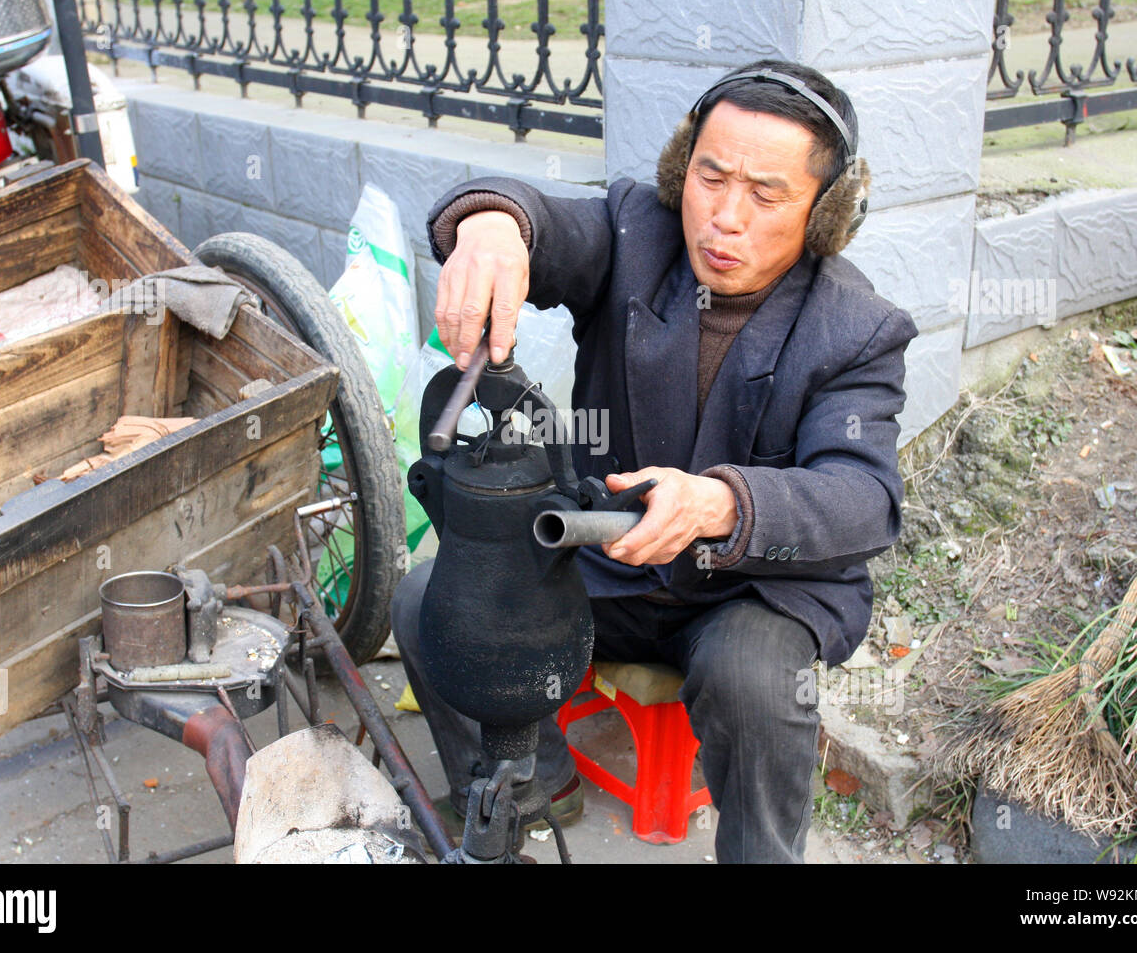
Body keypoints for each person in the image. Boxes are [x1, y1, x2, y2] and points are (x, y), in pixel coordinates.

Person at [392, 58, 918, 863]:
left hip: (751, 593)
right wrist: (496, 224)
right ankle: (518, 787)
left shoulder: (857, 329)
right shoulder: (637, 235)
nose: (725, 219)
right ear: (684, 172)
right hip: (605, 561)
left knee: (754, 681)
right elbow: (548, 223)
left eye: (766, 195)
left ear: (823, 215)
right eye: (711, 178)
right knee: (431, 601)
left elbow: (862, 497)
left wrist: (721, 504)